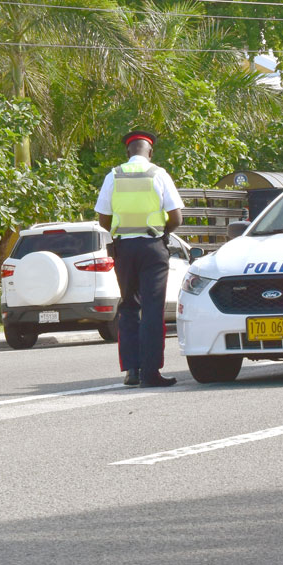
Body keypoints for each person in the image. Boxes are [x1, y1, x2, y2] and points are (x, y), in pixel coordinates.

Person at [95, 130, 184, 386]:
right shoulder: (159, 174)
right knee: (153, 309)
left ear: (128, 152)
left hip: (124, 249)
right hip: (152, 247)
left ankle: (131, 371)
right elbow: (176, 217)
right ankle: (151, 373)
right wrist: (160, 232)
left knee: (129, 307)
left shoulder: (113, 175)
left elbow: (103, 218)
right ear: (150, 152)